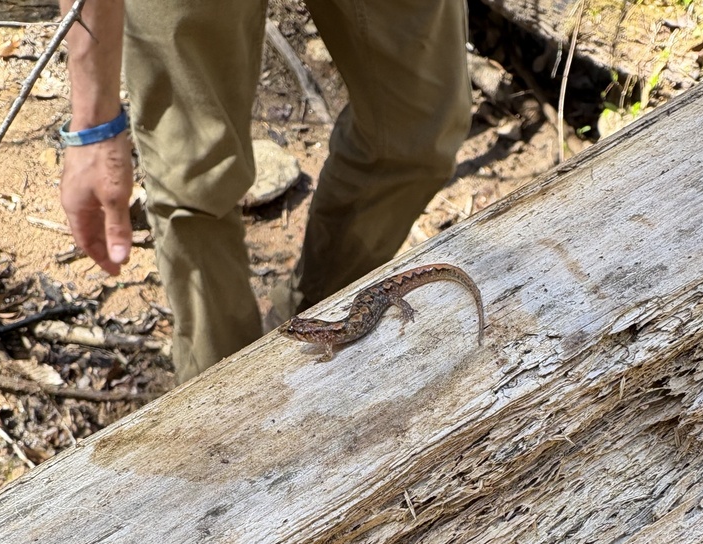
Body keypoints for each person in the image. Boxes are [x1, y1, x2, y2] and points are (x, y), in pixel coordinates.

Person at [58, 0, 472, 383]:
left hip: (339, 321)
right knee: (192, 182)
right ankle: (226, 396)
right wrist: (93, 120)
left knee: (415, 137)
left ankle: (304, 312)